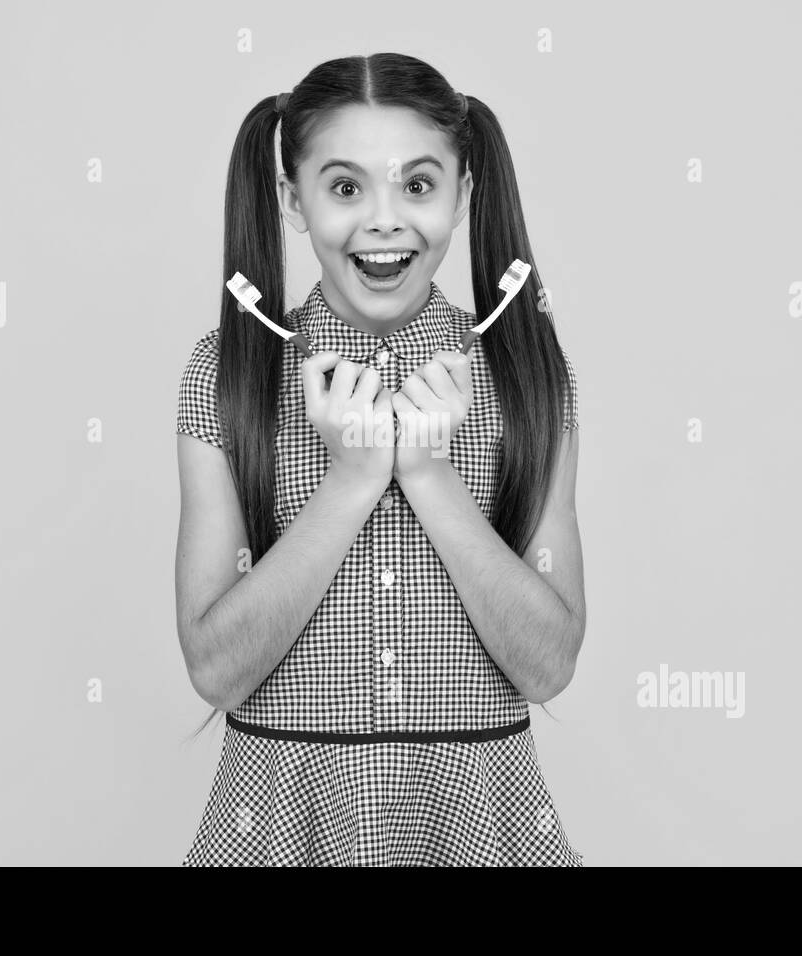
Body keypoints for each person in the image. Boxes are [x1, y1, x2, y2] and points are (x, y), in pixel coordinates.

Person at [175, 52, 584, 866]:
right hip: (278, 822)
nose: (384, 221)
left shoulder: (529, 377)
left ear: (465, 196)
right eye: (346, 187)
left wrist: (428, 476)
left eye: (419, 186)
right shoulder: (224, 377)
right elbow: (216, 672)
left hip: (480, 821)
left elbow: (548, 666)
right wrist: (354, 479)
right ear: (294, 200)